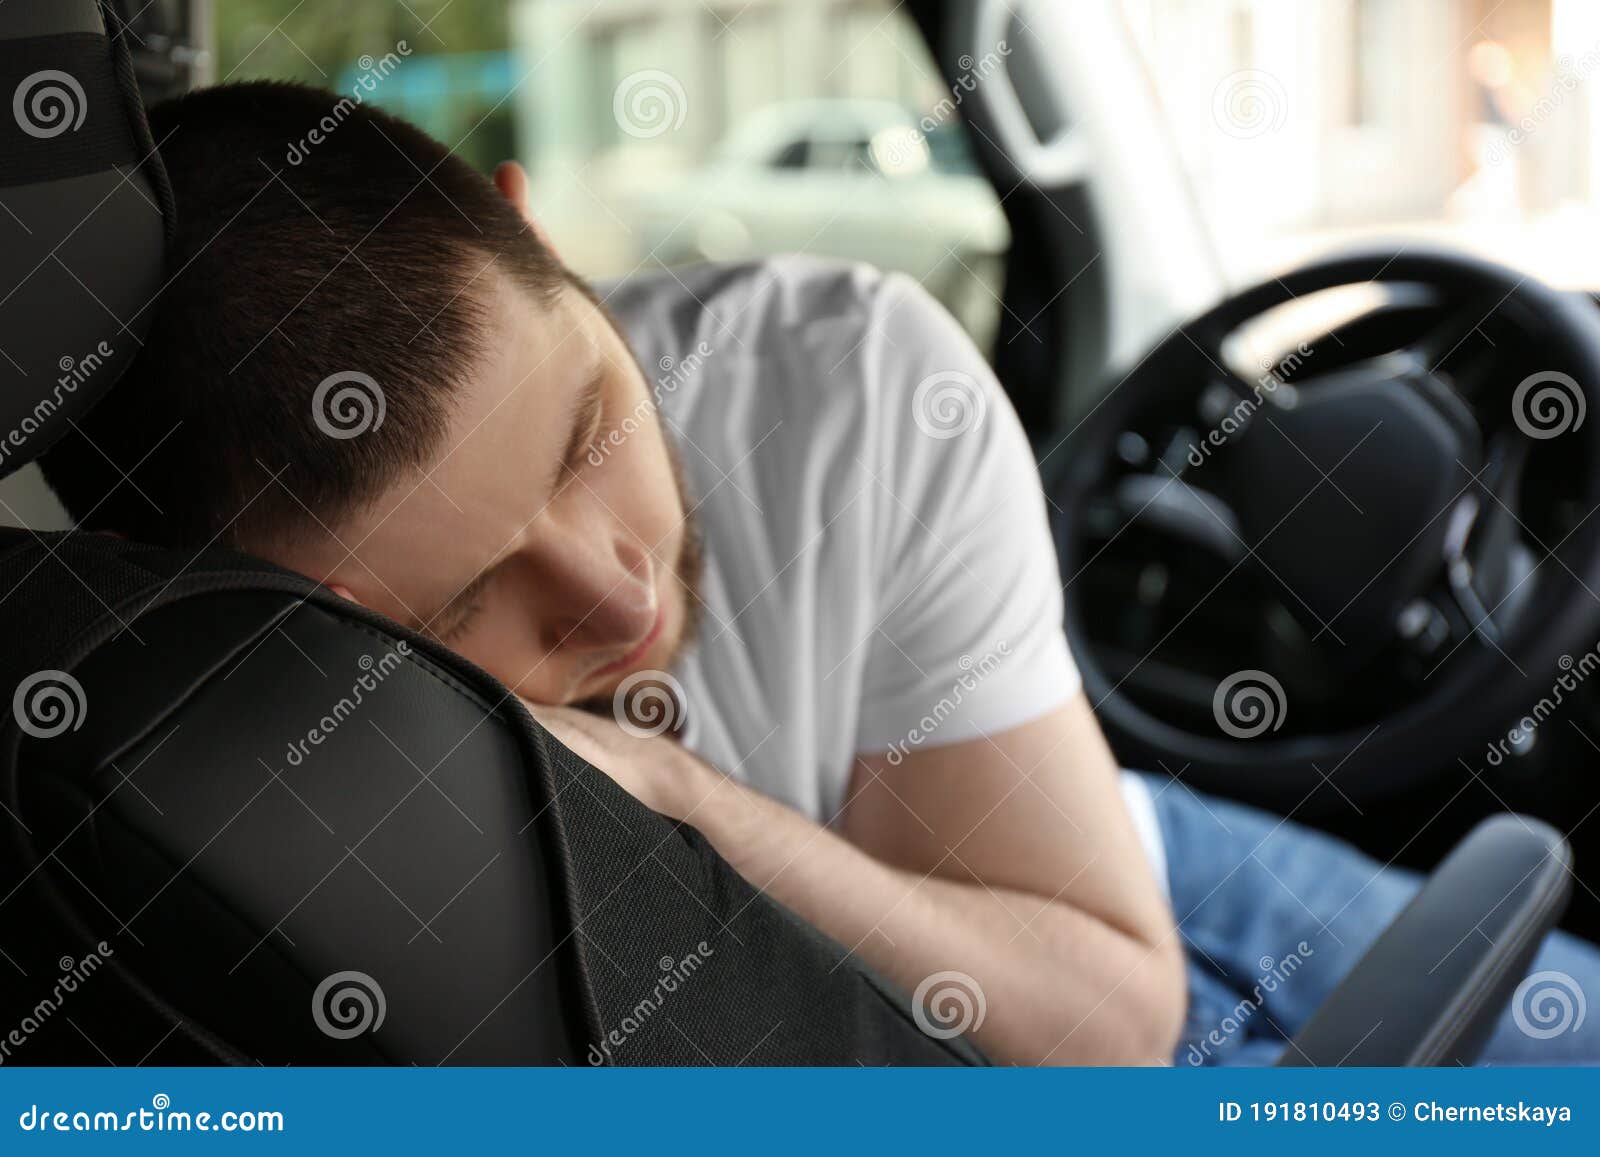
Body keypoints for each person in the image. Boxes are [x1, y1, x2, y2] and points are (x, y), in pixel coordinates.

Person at [40, 82, 1600, 1065]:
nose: (617, 597)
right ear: (240, 611)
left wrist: (688, 800)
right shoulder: (212, 742)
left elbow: (1108, 999)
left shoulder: (850, 382)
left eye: (586, 432)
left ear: (546, 242)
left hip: (1108, 871)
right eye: (460, 607)